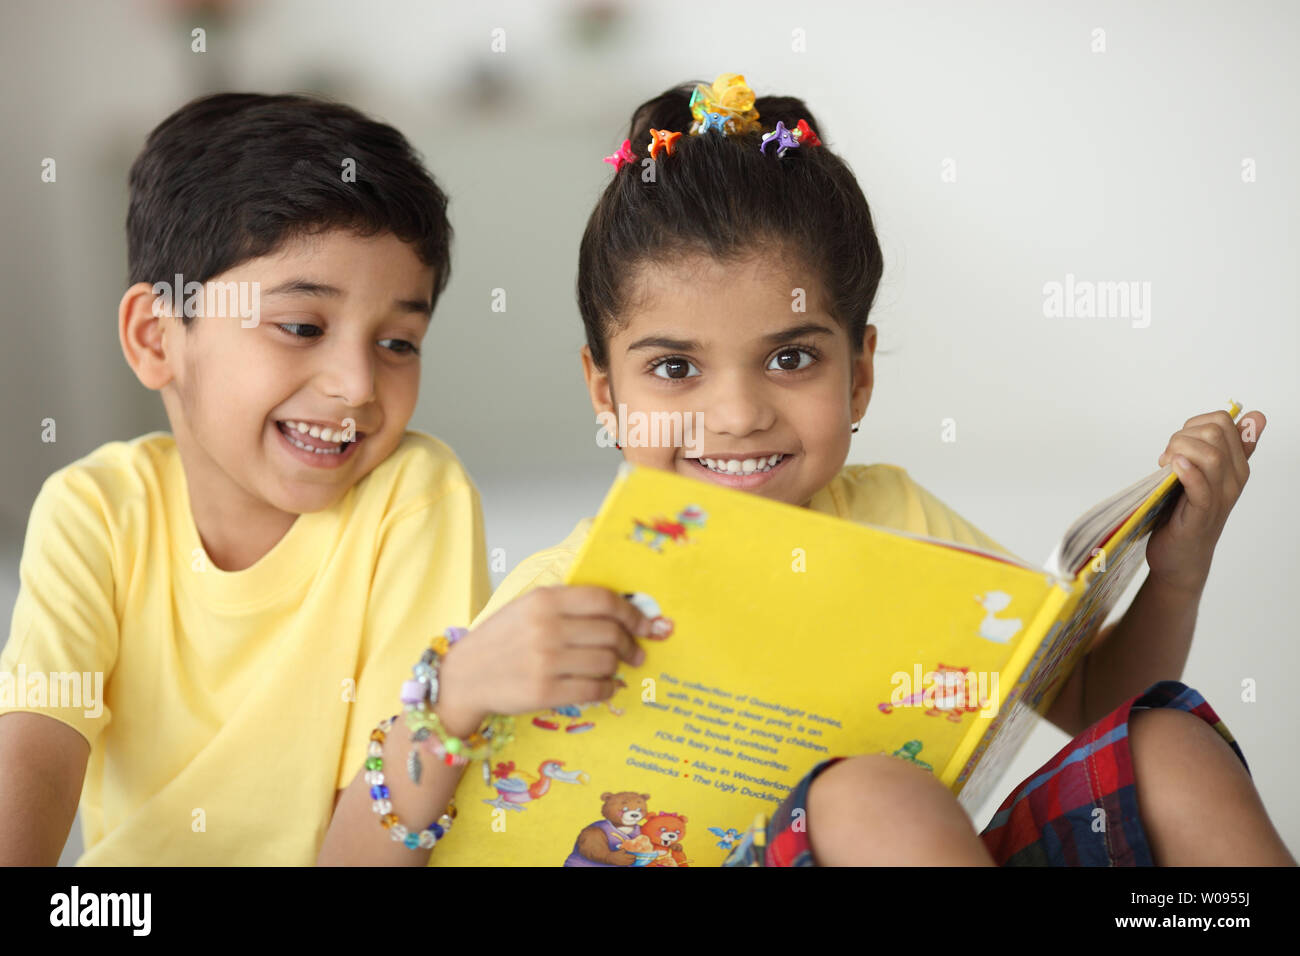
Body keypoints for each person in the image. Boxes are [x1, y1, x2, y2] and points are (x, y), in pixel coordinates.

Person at [319, 73, 1293, 866]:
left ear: (859, 371)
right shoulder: (565, 598)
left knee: (1167, 743)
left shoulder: (902, 520)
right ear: (603, 391)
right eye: (673, 367)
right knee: (872, 787)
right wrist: (454, 694)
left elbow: (1083, 706)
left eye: (791, 358)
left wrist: (1179, 564)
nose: (738, 412)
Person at [0, 92, 490, 865]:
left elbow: (386, 802)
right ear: (157, 338)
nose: (357, 385)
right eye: (302, 328)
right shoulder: (93, 511)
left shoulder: (417, 496)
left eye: (399, 342)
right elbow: (36, 750)